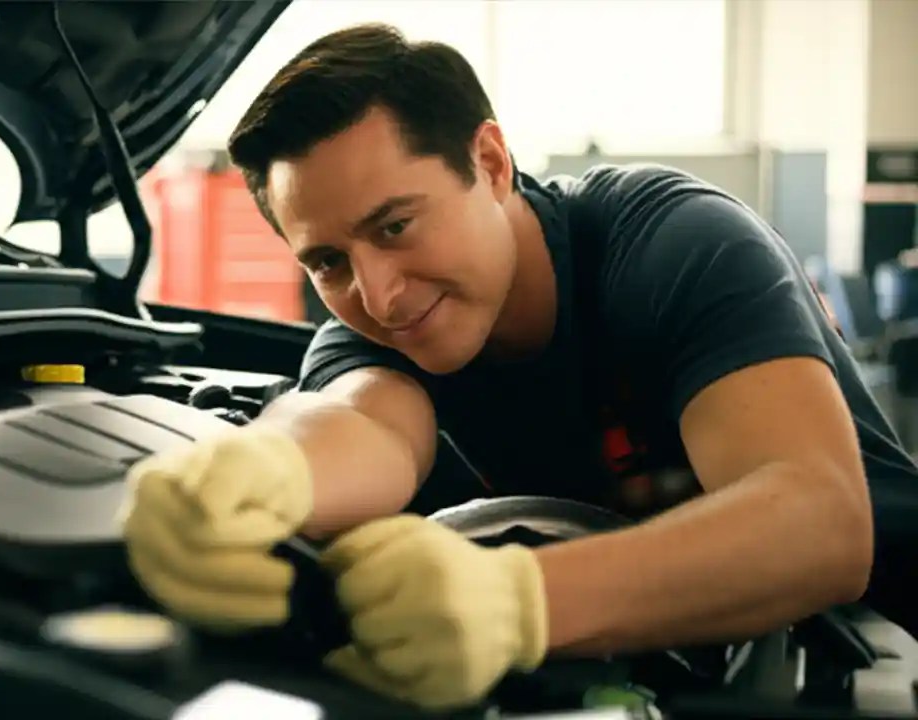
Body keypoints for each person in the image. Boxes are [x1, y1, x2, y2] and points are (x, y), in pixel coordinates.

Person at [119, 23, 917, 711]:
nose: (379, 295)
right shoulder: (375, 334)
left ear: (491, 163)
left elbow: (823, 529)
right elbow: (360, 425)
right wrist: (254, 475)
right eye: (327, 261)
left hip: (878, 654)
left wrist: (519, 602)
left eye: (395, 226)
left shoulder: (672, 242)